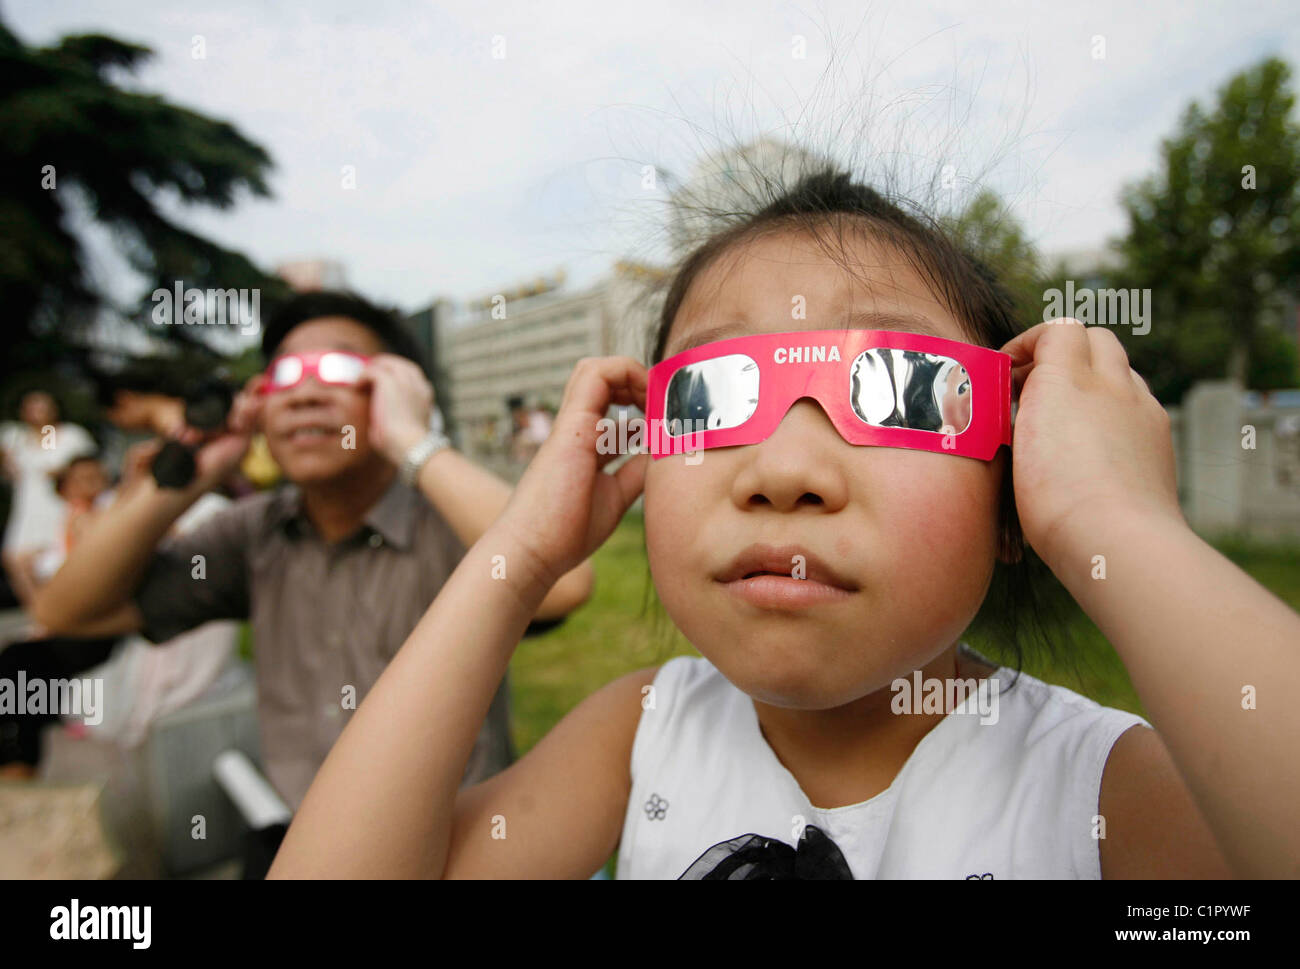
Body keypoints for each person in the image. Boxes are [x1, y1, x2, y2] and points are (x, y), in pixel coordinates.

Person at [269, 168, 1300, 881]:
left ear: (1012, 481)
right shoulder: (642, 738)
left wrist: (1116, 523)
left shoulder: (1110, 792)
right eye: (711, 396)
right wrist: (520, 551)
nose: (786, 471)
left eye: (898, 390)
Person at [30, 291, 594, 846]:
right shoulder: (250, 535)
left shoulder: (449, 518)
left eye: (340, 368)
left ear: (400, 391)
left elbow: (565, 583)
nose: (304, 395)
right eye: (284, 376)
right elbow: (67, 610)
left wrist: (415, 441)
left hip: (460, 847)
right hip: (303, 846)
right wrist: (197, 472)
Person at [0, 390, 97, 605]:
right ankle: (42, 612)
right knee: (16, 560)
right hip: (28, 509)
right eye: (33, 407)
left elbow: (49, 460)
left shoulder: (58, 434)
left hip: (58, 507)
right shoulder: (17, 437)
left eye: (43, 406)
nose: (38, 412)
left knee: (55, 560)